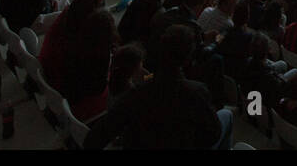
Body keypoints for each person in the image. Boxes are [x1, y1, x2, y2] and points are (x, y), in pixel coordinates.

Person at [83, 25, 228, 149]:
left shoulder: (134, 96)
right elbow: (212, 136)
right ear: (188, 59)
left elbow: (93, 140)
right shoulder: (197, 92)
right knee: (226, 115)